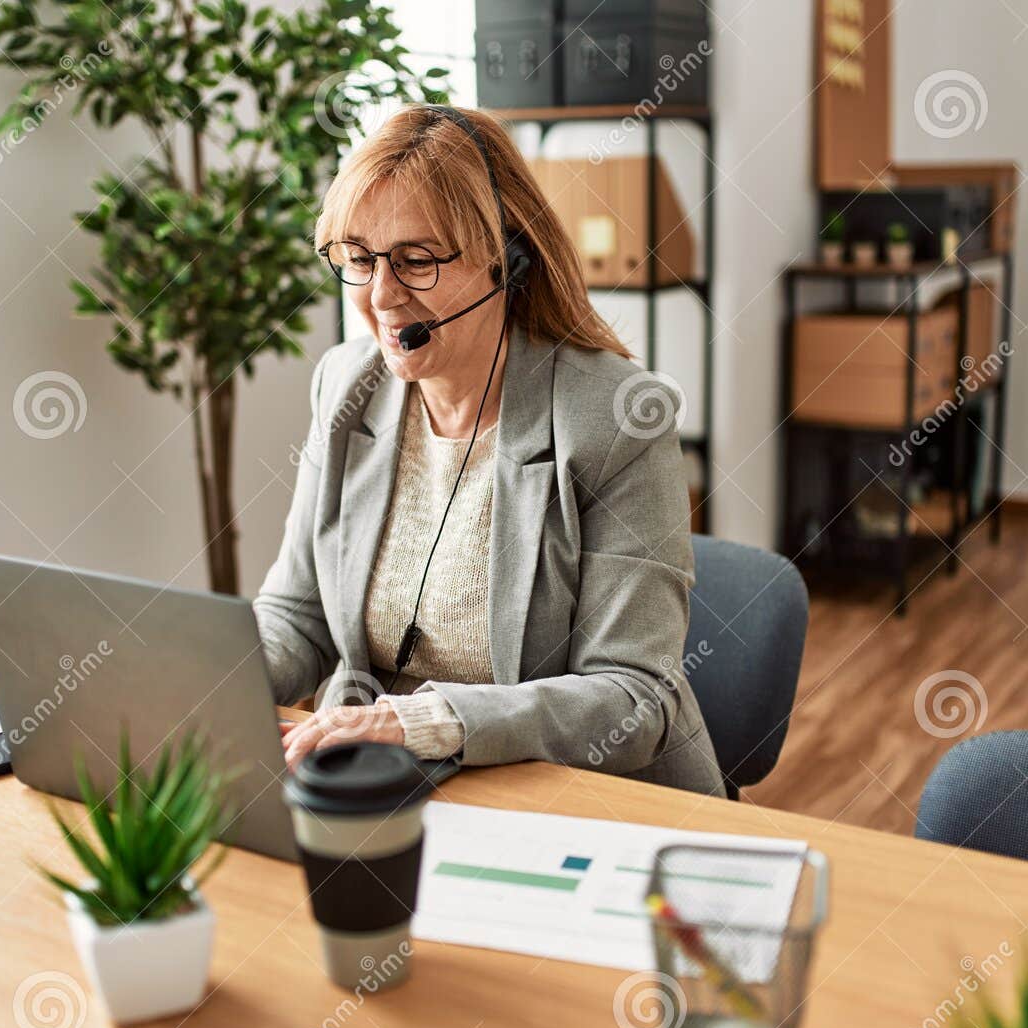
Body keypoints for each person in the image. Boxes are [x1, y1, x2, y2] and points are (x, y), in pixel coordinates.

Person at [254, 104, 722, 796]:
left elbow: (635, 695)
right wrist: (210, 688)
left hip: (580, 799)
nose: (381, 295)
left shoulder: (618, 420)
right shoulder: (346, 387)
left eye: (415, 260)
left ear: (507, 259)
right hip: (393, 787)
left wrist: (423, 721)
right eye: (357, 259)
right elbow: (298, 616)